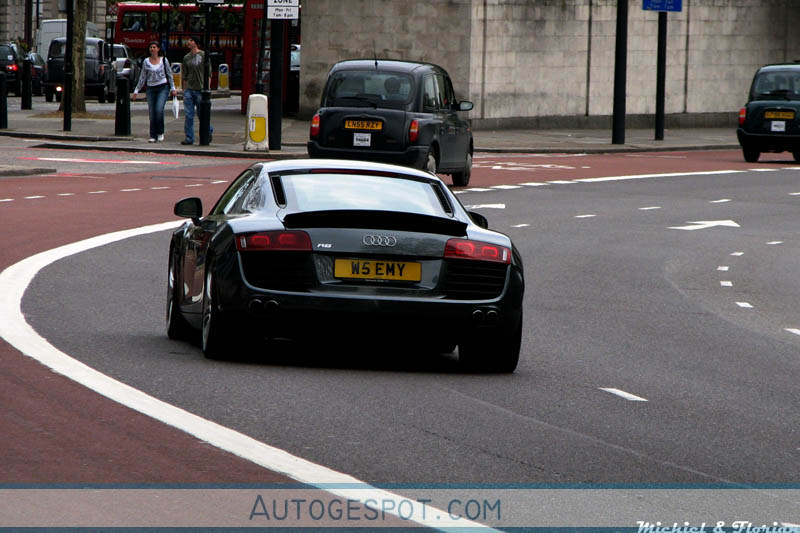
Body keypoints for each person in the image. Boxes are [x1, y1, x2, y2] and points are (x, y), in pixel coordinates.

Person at [132, 41, 176, 143]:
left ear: (158, 49)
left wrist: (173, 88)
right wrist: (136, 90)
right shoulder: (146, 61)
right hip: (151, 88)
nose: (152, 49)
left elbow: (169, 75)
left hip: (162, 88)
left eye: (154, 47)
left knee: (158, 109)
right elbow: (143, 76)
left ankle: (160, 132)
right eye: (151, 47)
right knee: (152, 113)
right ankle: (153, 135)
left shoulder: (164, 60)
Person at [181, 36, 213, 145]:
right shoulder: (186, 58)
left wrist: (207, 88)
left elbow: (208, 73)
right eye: (188, 40)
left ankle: (208, 131)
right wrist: (184, 90)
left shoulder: (203, 55)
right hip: (189, 89)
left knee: (202, 114)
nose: (188, 42)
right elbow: (184, 75)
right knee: (188, 115)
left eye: (191, 40)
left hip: (200, 89)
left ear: (196, 43)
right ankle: (189, 137)